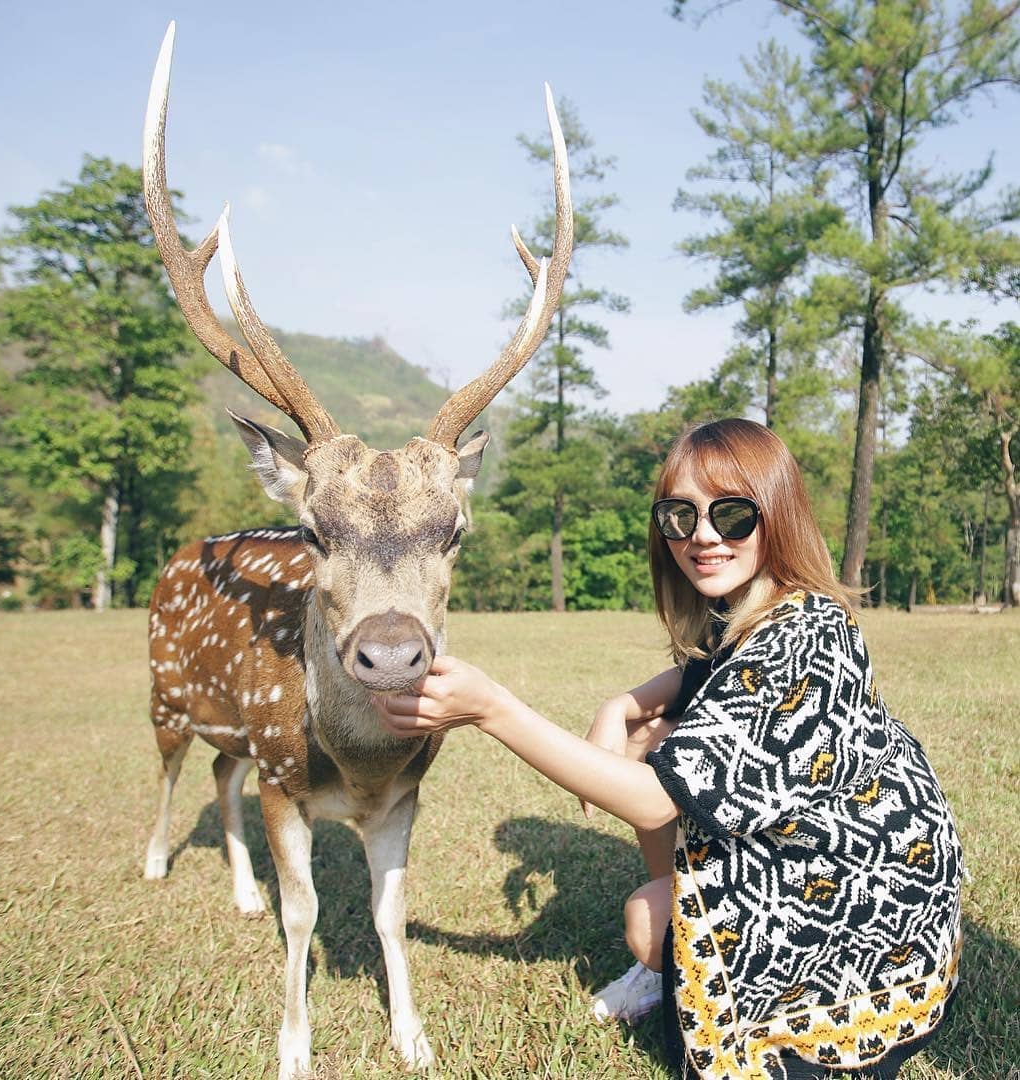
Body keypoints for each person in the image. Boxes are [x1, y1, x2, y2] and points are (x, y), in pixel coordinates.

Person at [373, 419, 963, 1080]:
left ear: (778, 516)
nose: (703, 535)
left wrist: (491, 709)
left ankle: (694, 970)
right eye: (680, 515)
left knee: (645, 918)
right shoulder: (749, 606)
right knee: (656, 735)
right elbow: (700, 677)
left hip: (873, 914)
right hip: (839, 853)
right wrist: (620, 708)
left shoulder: (802, 634)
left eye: (733, 514)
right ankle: (678, 947)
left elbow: (657, 798)